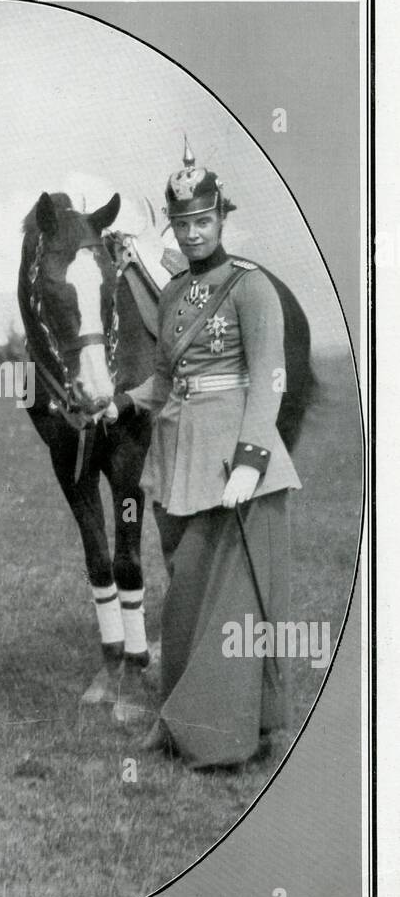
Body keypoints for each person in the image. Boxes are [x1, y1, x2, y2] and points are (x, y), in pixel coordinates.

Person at [116, 141, 302, 768]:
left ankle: (224, 733)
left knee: (229, 599)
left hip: (233, 463)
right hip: (178, 458)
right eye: (184, 224)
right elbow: (167, 382)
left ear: (222, 218)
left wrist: (250, 461)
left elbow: (269, 377)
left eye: (204, 221)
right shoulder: (170, 295)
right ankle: (177, 720)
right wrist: (117, 404)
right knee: (186, 596)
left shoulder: (250, 288)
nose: (194, 234)